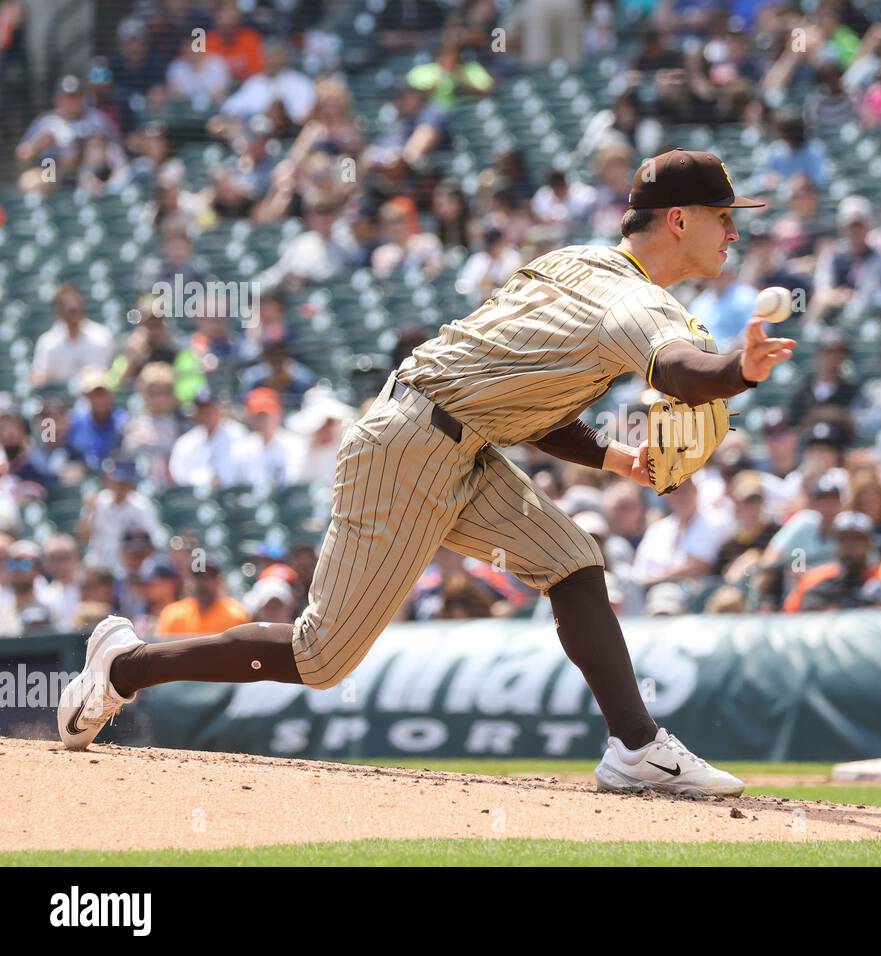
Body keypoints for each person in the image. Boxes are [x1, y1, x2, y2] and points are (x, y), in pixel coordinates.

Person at [59, 148, 796, 799]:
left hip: (455, 435)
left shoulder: (577, 263)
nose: (733, 230)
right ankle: (127, 667)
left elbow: (522, 399)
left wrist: (612, 457)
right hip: (410, 448)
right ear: (676, 220)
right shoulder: (632, 299)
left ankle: (636, 749)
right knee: (321, 658)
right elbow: (680, 372)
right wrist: (741, 368)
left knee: (573, 564)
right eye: (722, 214)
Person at [29, 285, 115, 389]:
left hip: (96, 398)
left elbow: (114, 374)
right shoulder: (47, 341)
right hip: (60, 401)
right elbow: (37, 377)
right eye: (65, 307)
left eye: (75, 307)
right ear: (58, 312)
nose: (71, 310)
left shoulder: (101, 335)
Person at [154, 559, 251, 637]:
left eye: (211, 576)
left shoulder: (237, 616)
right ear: (189, 581)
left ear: (219, 581)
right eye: (198, 576)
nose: (204, 582)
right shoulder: (172, 614)